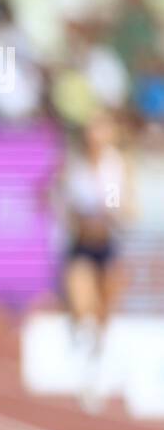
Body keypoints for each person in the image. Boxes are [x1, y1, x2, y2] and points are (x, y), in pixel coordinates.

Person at [59, 112, 136, 412]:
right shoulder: (73, 166)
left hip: (110, 246)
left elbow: (131, 208)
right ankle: (84, 368)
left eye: (102, 130)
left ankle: (95, 376)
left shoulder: (117, 165)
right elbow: (61, 205)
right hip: (81, 247)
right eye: (93, 130)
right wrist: (79, 221)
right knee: (84, 307)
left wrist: (113, 215)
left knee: (103, 318)